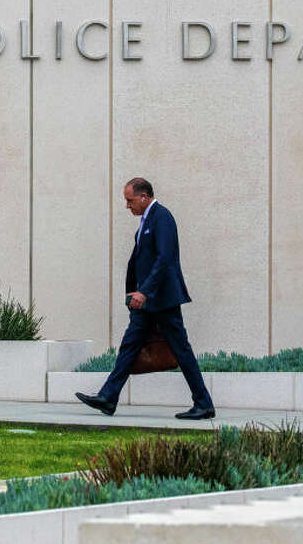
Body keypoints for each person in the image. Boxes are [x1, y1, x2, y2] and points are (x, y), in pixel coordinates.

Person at [76, 177, 216, 420]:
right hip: (147, 303)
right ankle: (108, 397)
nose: (127, 206)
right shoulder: (146, 221)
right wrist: (133, 290)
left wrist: (145, 291)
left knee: (181, 350)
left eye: (130, 200)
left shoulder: (162, 217)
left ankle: (204, 404)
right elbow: (141, 260)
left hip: (162, 300)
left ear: (144, 196)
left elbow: (165, 258)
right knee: (129, 346)